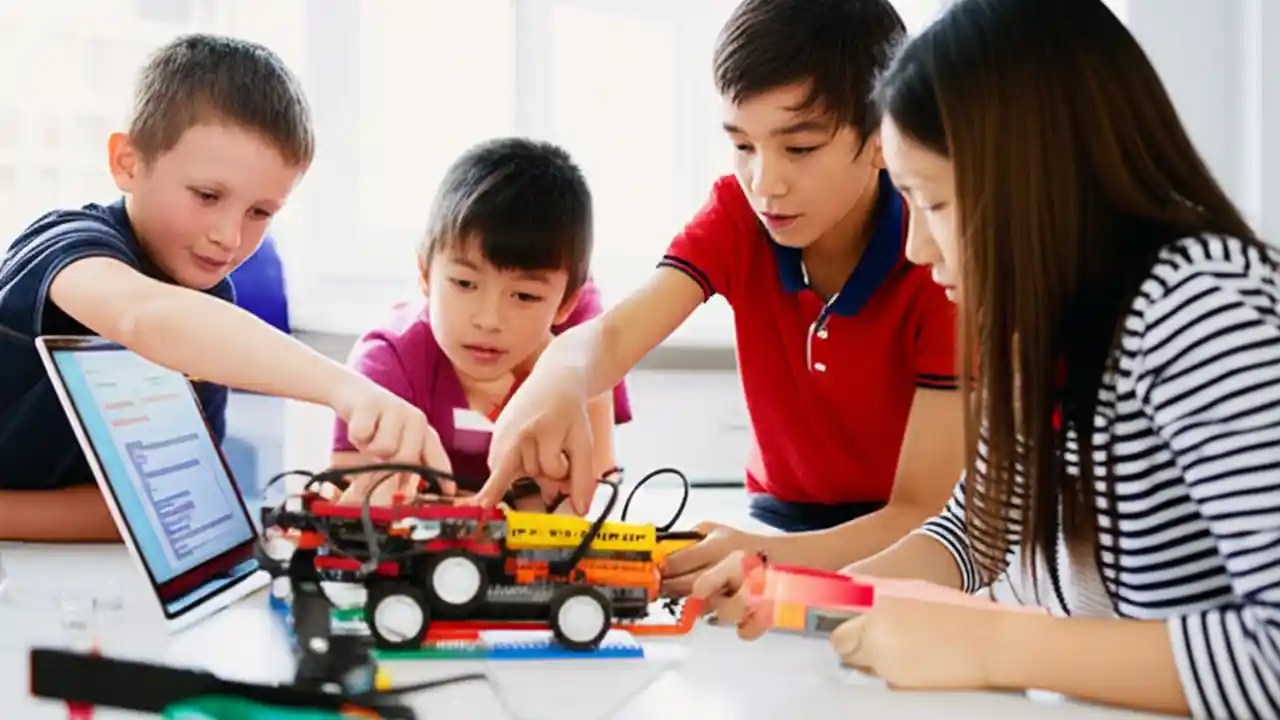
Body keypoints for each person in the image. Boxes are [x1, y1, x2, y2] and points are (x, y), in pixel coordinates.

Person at [690, 1, 1280, 716]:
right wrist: (794, 594)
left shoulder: (1199, 311)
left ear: (1040, 180)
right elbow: (971, 534)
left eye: (933, 204)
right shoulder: (1052, 326)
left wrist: (989, 644)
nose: (916, 249)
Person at [480, 0, 962, 561]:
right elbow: (611, 339)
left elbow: (924, 518)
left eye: (799, 148)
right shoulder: (737, 216)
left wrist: (758, 557)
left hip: (909, 543)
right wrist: (558, 376)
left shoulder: (938, 261)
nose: (765, 183)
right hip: (778, 518)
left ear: (883, 137)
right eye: (742, 145)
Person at [0, 34, 447, 541]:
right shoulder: (65, 247)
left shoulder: (211, 315)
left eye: (260, 212)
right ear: (128, 162)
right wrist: (346, 389)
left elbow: (148, 513)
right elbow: (144, 318)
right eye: (207, 195)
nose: (230, 237)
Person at [331, 138, 631, 508]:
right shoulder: (387, 361)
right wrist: (496, 516)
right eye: (464, 284)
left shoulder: (580, 374)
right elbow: (353, 498)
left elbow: (587, 504)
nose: (488, 320)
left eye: (524, 296)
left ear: (566, 303)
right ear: (425, 273)